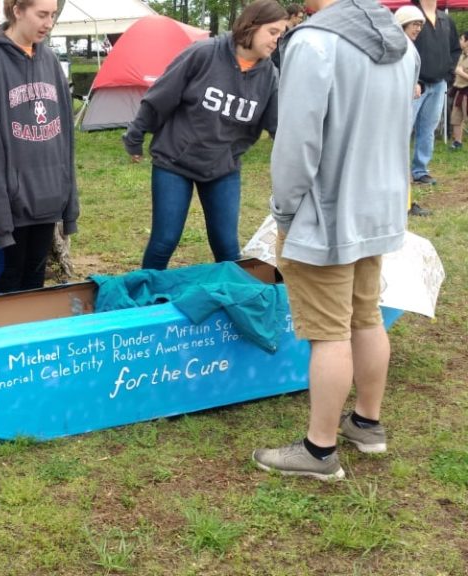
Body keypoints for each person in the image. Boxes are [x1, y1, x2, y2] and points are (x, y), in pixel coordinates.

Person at [252, 0, 418, 481]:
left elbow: (297, 140)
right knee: (365, 316)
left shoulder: (314, 42)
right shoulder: (402, 44)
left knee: (330, 333)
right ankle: (367, 421)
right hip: (378, 206)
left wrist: (285, 208)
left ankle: (319, 450)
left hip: (325, 212)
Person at [122, 0, 288, 271]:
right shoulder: (203, 54)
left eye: (281, 34)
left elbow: (279, 127)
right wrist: (135, 136)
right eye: (272, 32)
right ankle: (146, 297)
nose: (276, 40)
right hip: (175, 162)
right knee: (165, 240)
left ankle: (230, 299)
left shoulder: (269, 75)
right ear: (252, 26)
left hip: (223, 167)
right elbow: (160, 96)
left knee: (226, 246)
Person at [0, 0, 79, 295]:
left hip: (48, 199)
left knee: (36, 277)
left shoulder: (50, 61)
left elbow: (65, 136)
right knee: (9, 281)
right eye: (42, 14)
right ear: (17, 10)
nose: (49, 23)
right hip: (12, 206)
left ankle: (34, 339)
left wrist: (68, 204)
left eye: (52, 15)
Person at [410, 0, 460, 185]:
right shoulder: (410, 14)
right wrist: (412, 78)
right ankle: (397, 172)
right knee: (403, 128)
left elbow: (455, 50)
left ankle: (420, 170)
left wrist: (448, 73)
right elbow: (401, 47)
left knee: (428, 129)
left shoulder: (445, 19)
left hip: (438, 84)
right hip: (414, 84)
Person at [394, 5, 432, 217]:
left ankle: (404, 203)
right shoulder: (400, 47)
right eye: (415, 24)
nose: (418, 29)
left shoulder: (407, 47)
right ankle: (403, 205)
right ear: (402, 24)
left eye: (420, 24)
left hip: (401, 108)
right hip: (394, 112)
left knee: (401, 157)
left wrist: (416, 84)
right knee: (398, 158)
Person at [449, 31, 468, 150]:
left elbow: (459, 72)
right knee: (456, 118)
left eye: (461, 39)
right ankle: (457, 142)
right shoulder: (461, 55)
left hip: (467, 91)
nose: (460, 42)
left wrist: (460, 72)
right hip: (458, 90)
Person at [272, 3, 305, 69]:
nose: (301, 20)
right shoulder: (281, 30)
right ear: (293, 16)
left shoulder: (294, 31)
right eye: (300, 17)